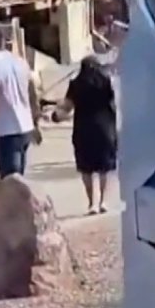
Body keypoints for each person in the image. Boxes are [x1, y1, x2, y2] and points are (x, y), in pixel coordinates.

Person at [0, 24, 42, 178]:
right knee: (18, 178)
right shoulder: (20, 62)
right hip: (25, 129)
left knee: (10, 181)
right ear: (4, 40)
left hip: (7, 131)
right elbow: (32, 95)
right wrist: (35, 124)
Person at [53, 55, 118, 214]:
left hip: (83, 129)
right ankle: (103, 202)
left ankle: (91, 203)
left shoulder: (76, 84)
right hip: (105, 129)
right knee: (104, 168)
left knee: (86, 169)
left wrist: (57, 116)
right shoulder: (106, 82)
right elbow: (115, 103)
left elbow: (67, 107)